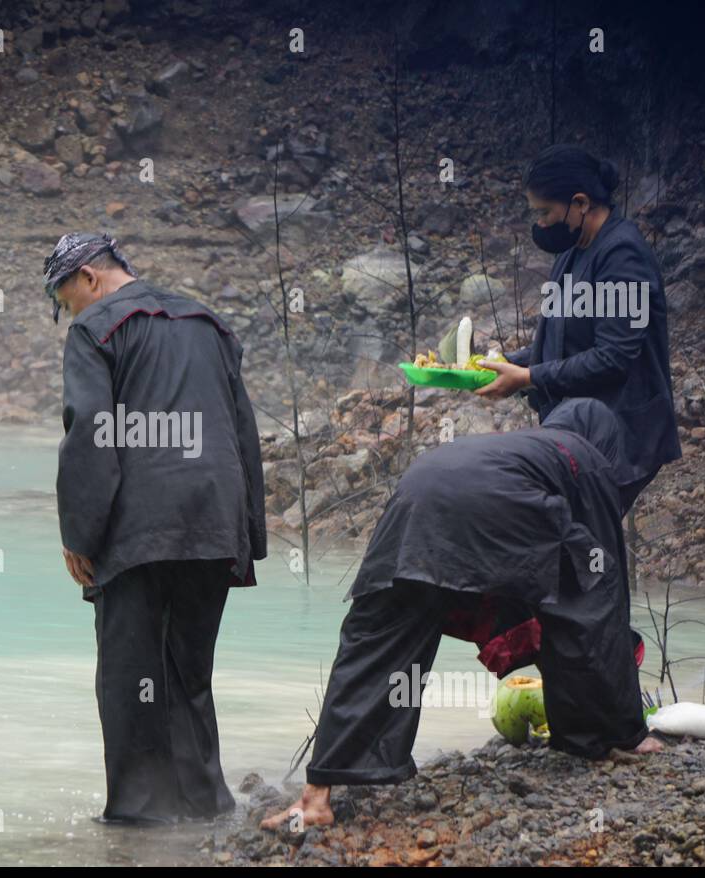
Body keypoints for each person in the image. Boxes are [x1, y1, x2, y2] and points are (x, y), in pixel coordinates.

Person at [261, 399, 661, 832]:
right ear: (604, 443)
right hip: (493, 505)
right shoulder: (587, 459)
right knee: (588, 597)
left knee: (375, 639)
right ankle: (602, 739)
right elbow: (603, 600)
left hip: (417, 495)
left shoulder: (518, 445)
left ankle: (316, 797)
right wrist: (630, 730)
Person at [46, 231, 267, 824]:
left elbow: (91, 433)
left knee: (130, 681)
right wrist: (249, 536)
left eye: (67, 299)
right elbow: (241, 432)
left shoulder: (95, 331)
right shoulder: (210, 324)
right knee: (188, 674)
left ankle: (140, 824)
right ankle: (207, 810)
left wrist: (79, 534)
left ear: (90, 278)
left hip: (138, 530)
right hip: (213, 523)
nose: (71, 312)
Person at [476, 144, 680, 514]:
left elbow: (614, 358)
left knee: (577, 541)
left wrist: (527, 377)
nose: (539, 223)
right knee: (564, 540)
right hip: (579, 427)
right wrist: (501, 364)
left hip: (621, 434)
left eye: (544, 212)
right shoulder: (573, 251)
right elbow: (560, 341)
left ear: (581, 202)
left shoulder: (623, 256)